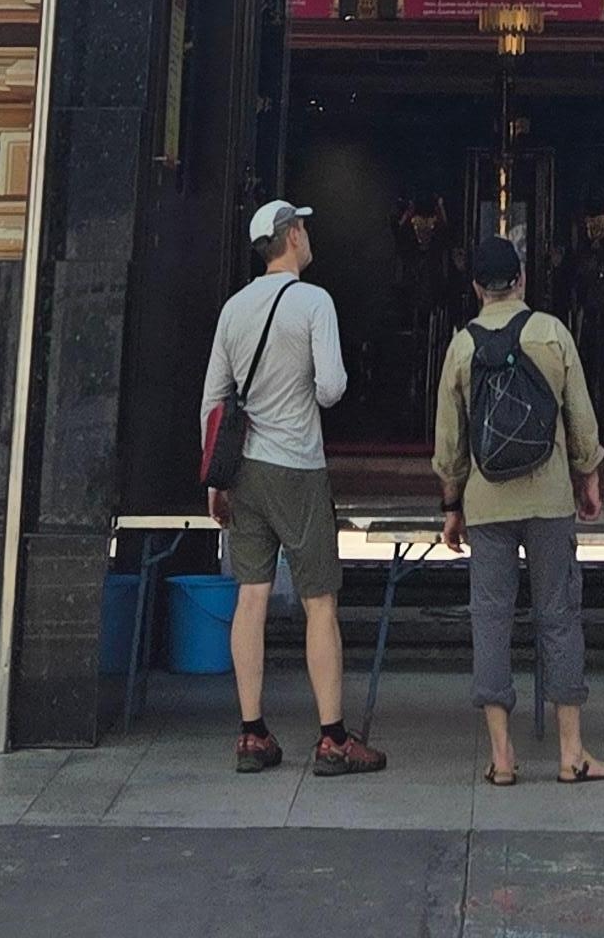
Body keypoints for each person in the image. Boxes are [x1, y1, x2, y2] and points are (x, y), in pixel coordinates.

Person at [198, 199, 385, 776]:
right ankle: (332, 738)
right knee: (319, 601)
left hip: (244, 472)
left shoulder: (234, 307)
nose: (307, 235)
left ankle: (252, 733)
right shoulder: (313, 301)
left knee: (251, 596)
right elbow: (329, 388)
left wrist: (212, 479)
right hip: (298, 468)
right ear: (293, 237)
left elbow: (212, 397)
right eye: (303, 228)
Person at [435, 227, 604, 787]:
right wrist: (588, 478)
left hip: (486, 502)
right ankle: (571, 754)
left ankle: (503, 757)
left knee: (490, 620)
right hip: (549, 496)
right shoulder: (552, 333)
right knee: (558, 617)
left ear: (475, 288)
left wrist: (451, 503)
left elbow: (449, 441)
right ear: (521, 280)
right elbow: (581, 419)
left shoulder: (462, 345)